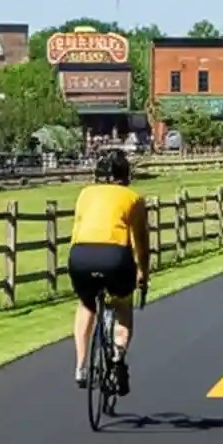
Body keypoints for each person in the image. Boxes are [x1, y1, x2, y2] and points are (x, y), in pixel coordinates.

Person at [67, 149, 150, 394]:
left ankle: (81, 366)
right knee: (123, 303)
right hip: (114, 257)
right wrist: (142, 275)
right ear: (126, 175)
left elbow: (77, 231)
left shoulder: (85, 194)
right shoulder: (133, 198)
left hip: (80, 255)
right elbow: (141, 245)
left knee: (86, 304)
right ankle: (117, 356)